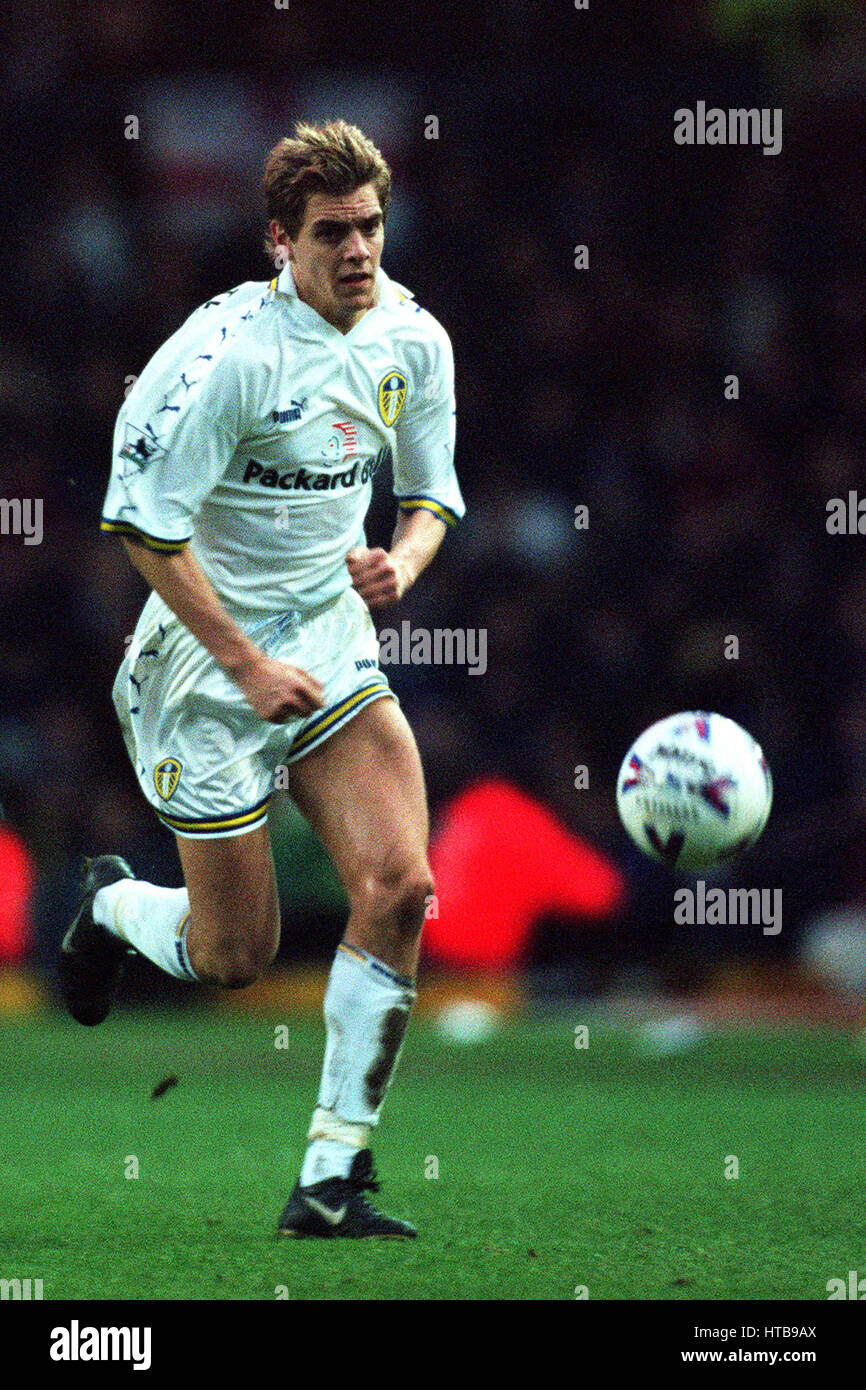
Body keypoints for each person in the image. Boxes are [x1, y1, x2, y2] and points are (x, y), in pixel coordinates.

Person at [59, 120, 464, 1239]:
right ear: (278, 241)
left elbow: (432, 494)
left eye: (370, 226)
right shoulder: (225, 356)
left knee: (400, 888)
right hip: (203, 665)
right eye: (331, 232)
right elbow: (145, 529)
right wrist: (243, 659)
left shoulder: (411, 339)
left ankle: (330, 1178)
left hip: (329, 639)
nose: (358, 251)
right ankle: (110, 905)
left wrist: (404, 561)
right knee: (235, 956)